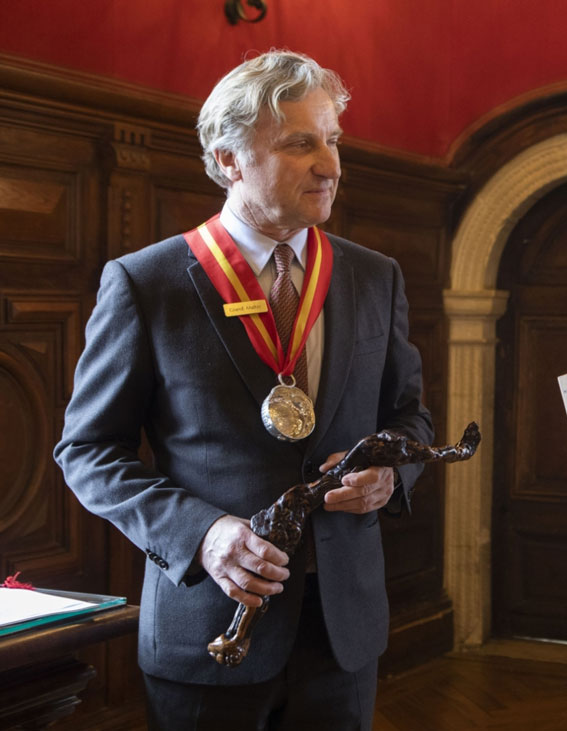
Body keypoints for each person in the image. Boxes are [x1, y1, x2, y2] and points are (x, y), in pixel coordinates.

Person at [53, 50, 434, 729]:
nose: (331, 165)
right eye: (300, 144)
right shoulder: (147, 283)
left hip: (342, 626)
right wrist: (202, 535)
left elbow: (409, 417)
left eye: (333, 141)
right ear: (229, 160)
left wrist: (392, 472)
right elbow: (88, 452)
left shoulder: (377, 277)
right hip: (208, 626)